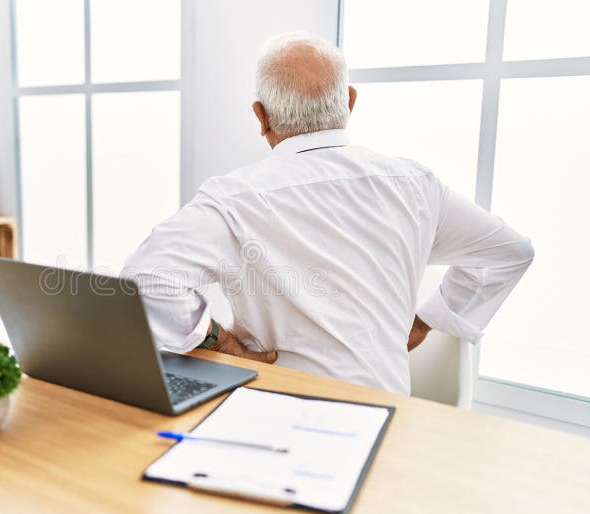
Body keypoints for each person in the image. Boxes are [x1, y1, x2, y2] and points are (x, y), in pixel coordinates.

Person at [122, 31, 534, 394]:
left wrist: (218, 343)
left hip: (268, 410)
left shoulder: (233, 199)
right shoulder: (415, 185)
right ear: (349, 101)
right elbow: (509, 251)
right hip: (386, 423)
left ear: (261, 116)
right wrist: (426, 320)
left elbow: (144, 284)